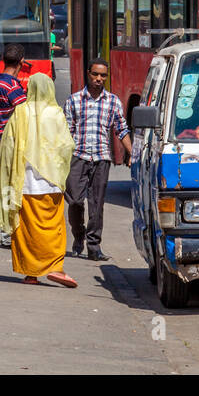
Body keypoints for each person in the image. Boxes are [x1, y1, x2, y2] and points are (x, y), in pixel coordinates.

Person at [0, 73, 78, 288]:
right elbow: (66, 146)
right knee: (53, 228)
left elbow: (8, 147)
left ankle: (31, 274)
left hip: (23, 182)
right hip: (50, 183)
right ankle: (55, 267)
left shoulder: (20, 113)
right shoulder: (55, 114)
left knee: (25, 231)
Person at [64, 58, 131, 262]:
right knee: (75, 201)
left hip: (102, 158)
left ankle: (94, 246)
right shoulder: (74, 100)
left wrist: (132, 154)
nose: (99, 79)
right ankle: (78, 235)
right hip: (78, 157)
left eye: (103, 75)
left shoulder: (113, 101)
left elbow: (121, 129)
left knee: (96, 204)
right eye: (95, 74)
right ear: (88, 73)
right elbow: (66, 132)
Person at [0, 43, 29, 247]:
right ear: (21, 62)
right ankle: (10, 231)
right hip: (13, 143)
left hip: (0, 142)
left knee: (5, 187)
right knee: (16, 187)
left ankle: (6, 230)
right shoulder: (12, 87)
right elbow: (24, 114)